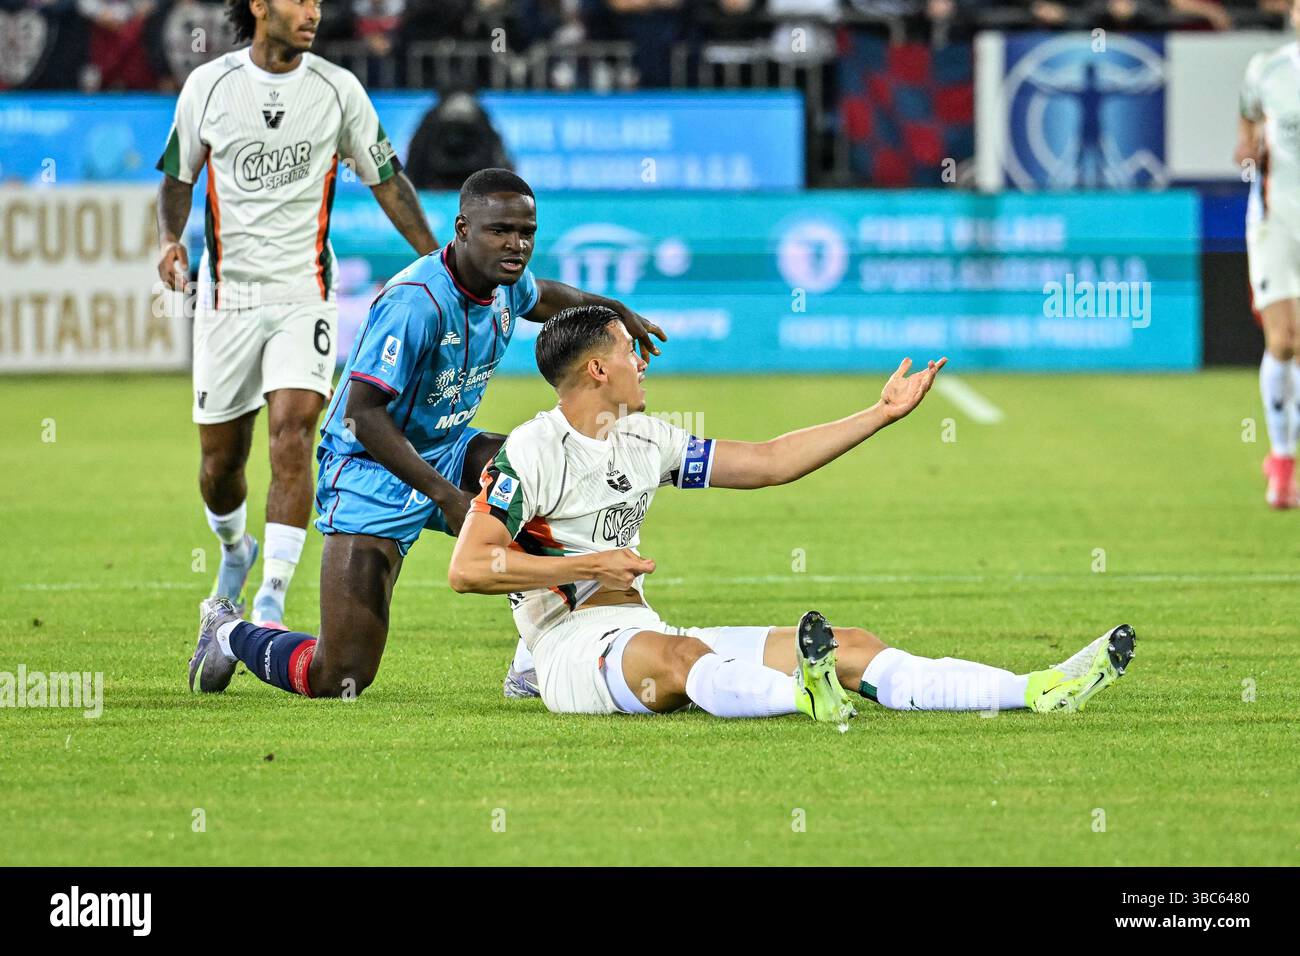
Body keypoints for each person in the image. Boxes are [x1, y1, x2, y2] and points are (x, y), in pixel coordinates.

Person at [445, 306, 1136, 722]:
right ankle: (805, 695)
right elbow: (469, 567)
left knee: (850, 644)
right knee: (681, 661)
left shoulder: (646, 439)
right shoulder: (532, 451)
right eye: (630, 351)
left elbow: (770, 461)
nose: (642, 362)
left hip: (640, 627)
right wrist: (591, 565)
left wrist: (880, 414)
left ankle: (1038, 688)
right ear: (597, 370)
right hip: (571, 651)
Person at [186, 171, 668, 699]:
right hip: (370, 470)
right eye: (500, 231)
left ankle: (534, 654)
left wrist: (614, 311)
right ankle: (229, 632)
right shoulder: (414, 304)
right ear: (463, 229)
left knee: (552, 470)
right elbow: (362, 415)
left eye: (526, 232)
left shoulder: (505, 282)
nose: (516, 245)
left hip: (450, 449)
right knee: (341, 674)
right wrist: (445, 496)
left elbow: (546, 296)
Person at [155, 0, 439, 629]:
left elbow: (388, 180)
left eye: (317, 2)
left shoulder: (339, 90)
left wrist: (436, 262)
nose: (313, 11)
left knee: (293, 434)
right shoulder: (209, 86)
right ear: (259, 6)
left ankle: (270, 602)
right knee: (220, 464)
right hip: (228, 299)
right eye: (299, 0)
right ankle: (236, 549)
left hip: (305, 293)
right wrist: (169, 240)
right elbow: (178, 177)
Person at [1237, 2, 1300, 508]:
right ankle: (1280, 462)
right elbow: (1246, 131)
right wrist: (1247, 150)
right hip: (1274, 220)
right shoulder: (1268, 70)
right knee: (1283, 341)